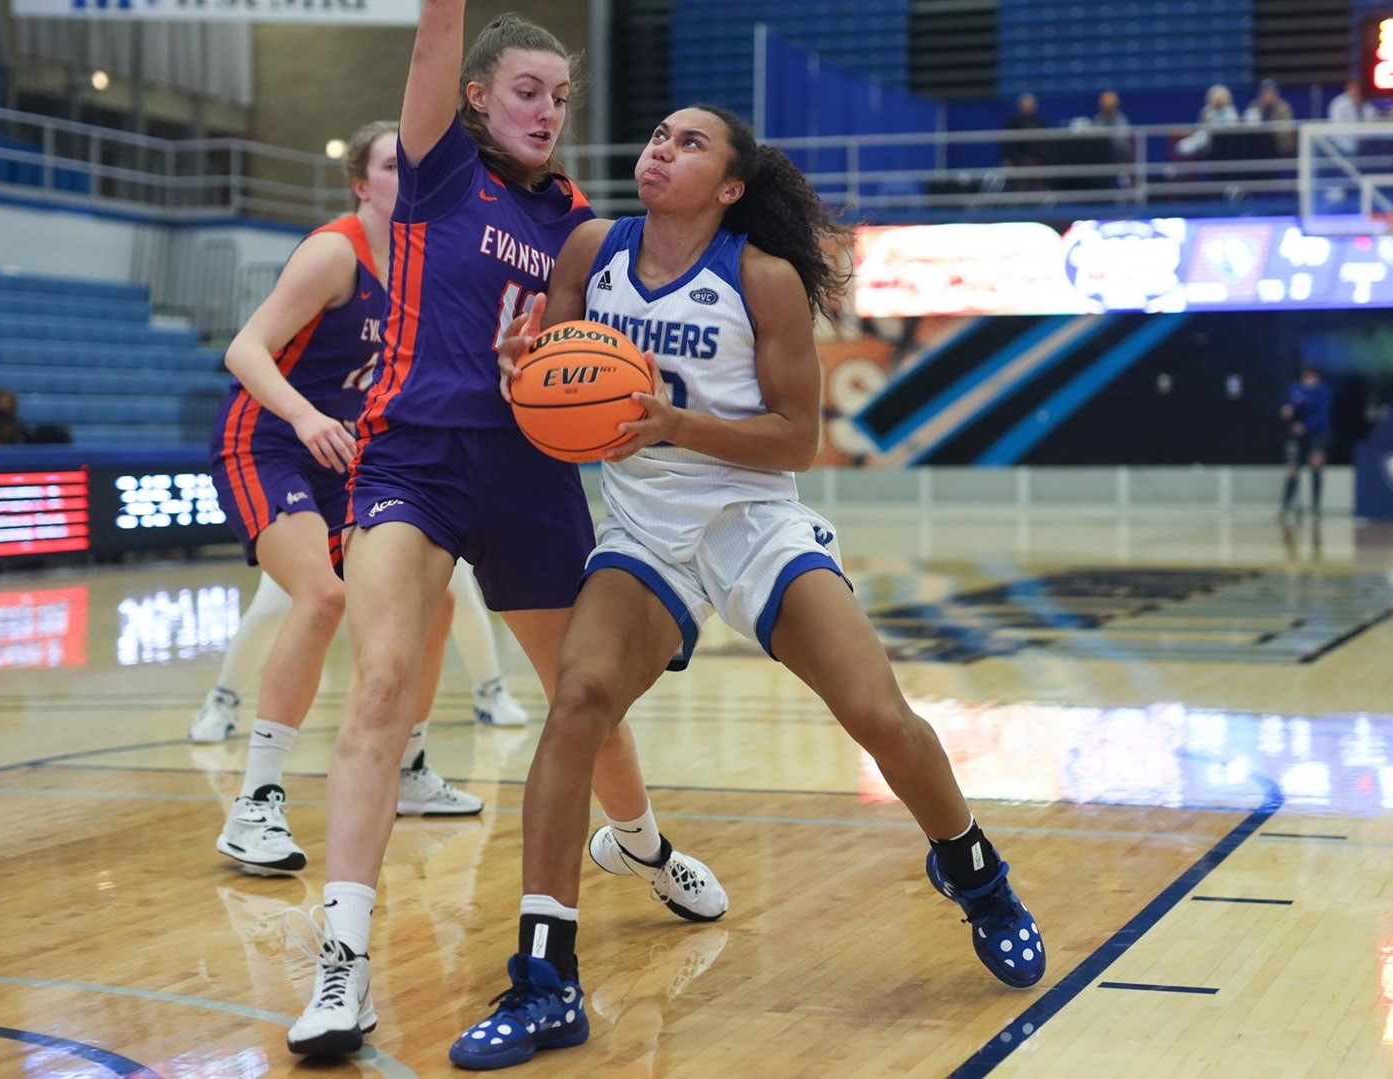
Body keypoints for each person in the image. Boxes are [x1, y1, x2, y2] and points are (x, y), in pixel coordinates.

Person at [447, 104, 1046, 1071]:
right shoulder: (593, 250)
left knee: (879, 713)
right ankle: (546, 981)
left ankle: (975, 873)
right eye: (657, 135)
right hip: (646, 530)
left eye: (689, 143)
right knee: (578, 701)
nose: (660, 148)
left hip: (753, 521)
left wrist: (674, 424)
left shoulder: (760, 277)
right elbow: (553, 384)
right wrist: (526, 376)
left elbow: (797, 438)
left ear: (730, 186)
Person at [285, 5, 726, 1060]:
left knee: (584, 696)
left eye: (561, 96)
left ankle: (641, 842)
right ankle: (342, 961)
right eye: (527, 90)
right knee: (383, 684)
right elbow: (434, 35)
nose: (548, 109)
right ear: (477, 97)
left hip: (530, 470)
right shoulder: (438, 169)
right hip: (415, 457)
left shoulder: (573, 218)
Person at [207, 119, 487, 878]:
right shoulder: (336, 253)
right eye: (392, 166)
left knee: (436, 604)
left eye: (416, 166)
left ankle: (410, 767)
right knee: (322, 597)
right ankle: (255, 799)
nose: (409, 177)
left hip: (346, 455)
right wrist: (304, 415)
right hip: (268, 439)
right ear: (361, 184)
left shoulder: (428, 264)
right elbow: (243, 349)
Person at [187, 559, 531, 743]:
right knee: (273, 605)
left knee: (457, 591)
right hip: (323, 486)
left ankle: (490, 691)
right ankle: (222, 700)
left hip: (400, 479)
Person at [1281, 363, 1332, 517]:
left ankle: (1316, 507)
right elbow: (1288, 405)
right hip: (1297, 434)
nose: (1308, 379)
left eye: (1311, 376)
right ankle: (1286, 507)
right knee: (1293, 469)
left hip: (1317, 432)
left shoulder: (1323, 390)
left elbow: (1323, 415)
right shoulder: (1296, 388)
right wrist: (1288, 411)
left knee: (1316, 464)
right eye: (1306, 376)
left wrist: (1306, 426)